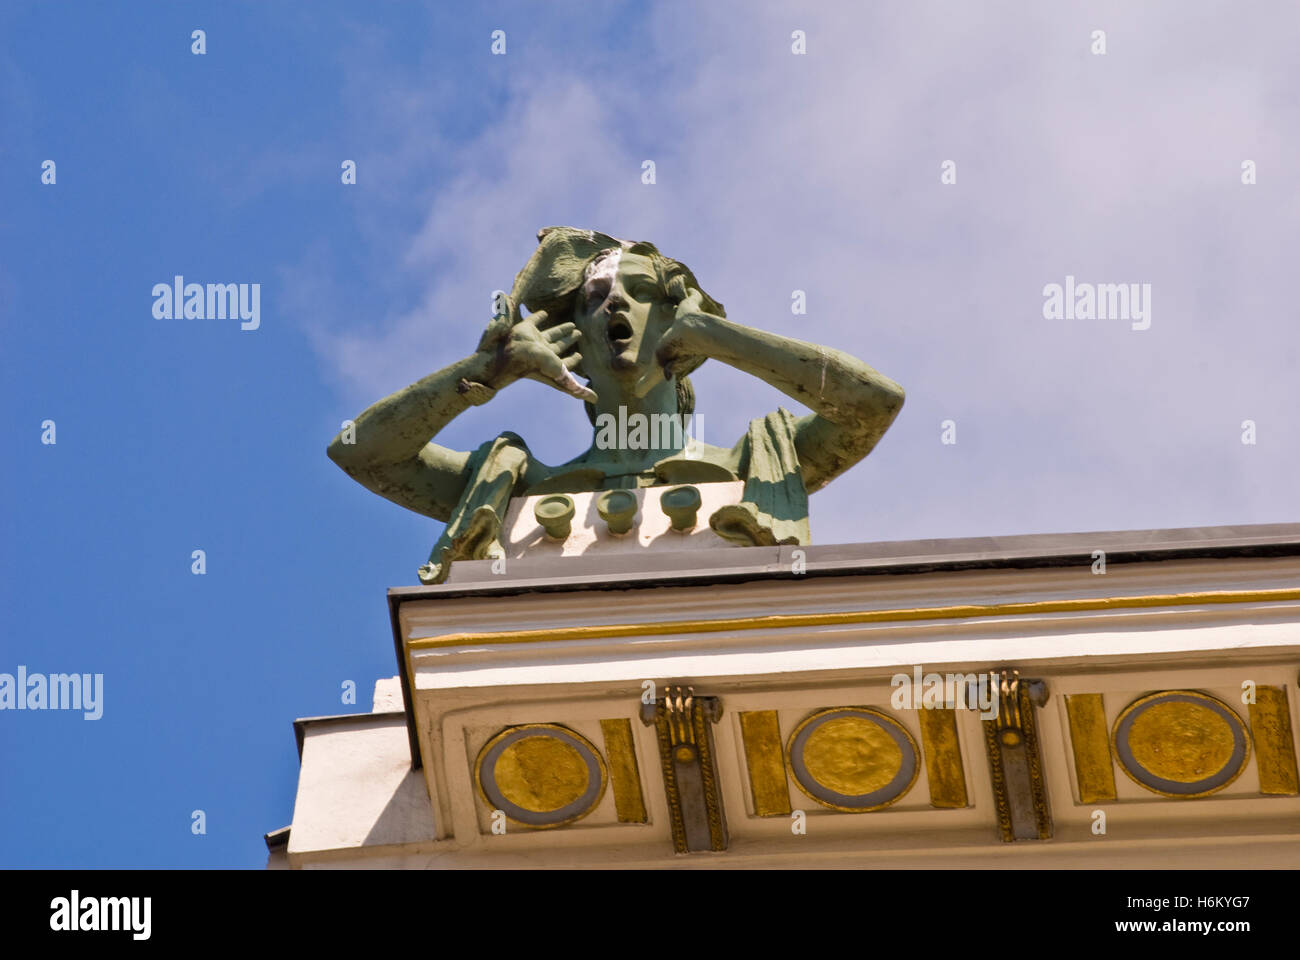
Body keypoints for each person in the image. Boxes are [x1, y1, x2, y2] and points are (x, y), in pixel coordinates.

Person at [328, 227, 905, 582]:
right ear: (572, 330)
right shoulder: (514, 488)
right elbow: (361, 454)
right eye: (596, 297)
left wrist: (720, 337)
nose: (615, 305)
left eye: (642, 292)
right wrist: (483, 374)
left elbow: (875, 404)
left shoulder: (759, 466)